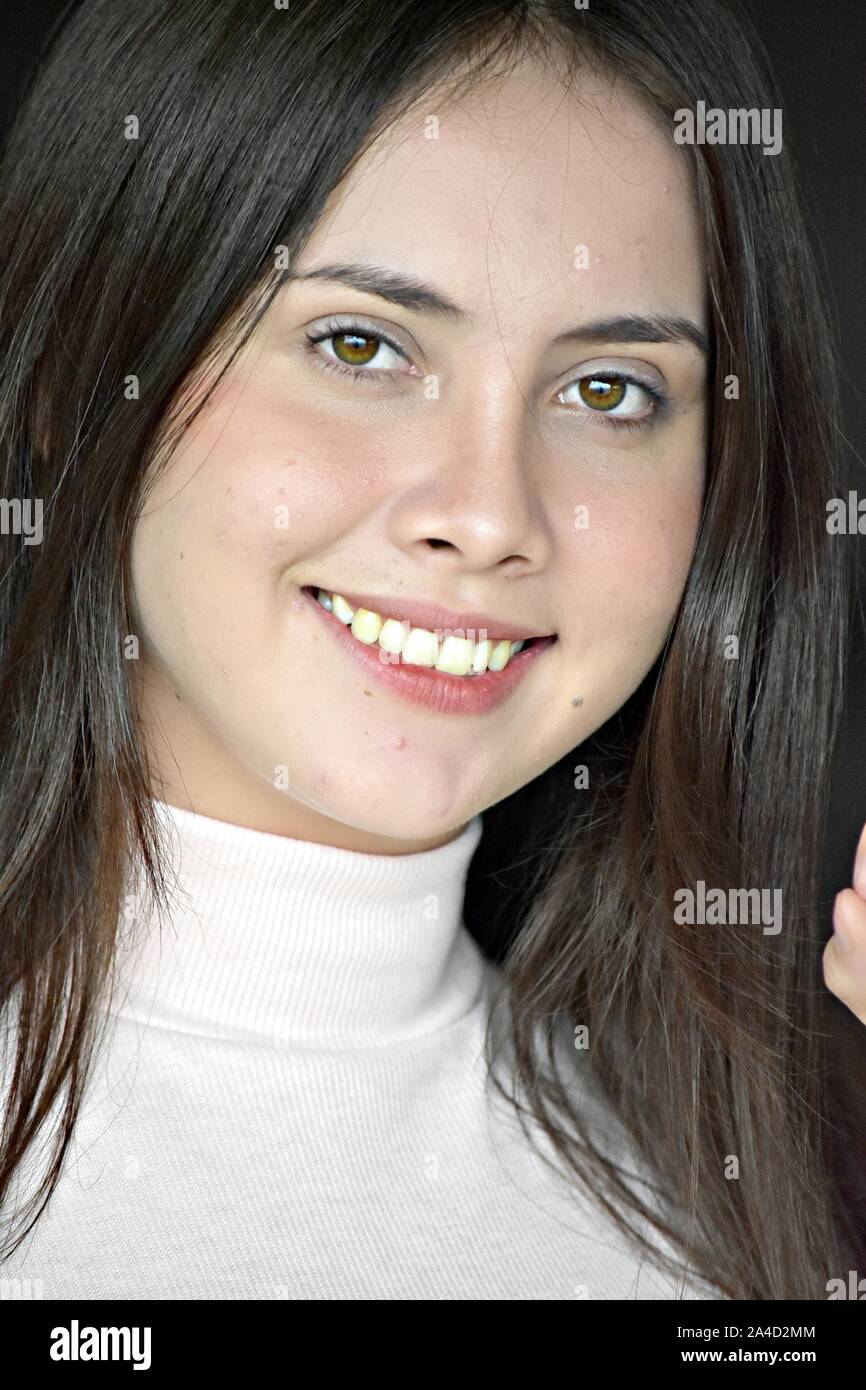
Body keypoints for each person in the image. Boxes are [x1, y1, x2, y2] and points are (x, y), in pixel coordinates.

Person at [0, 0, 855, 1300]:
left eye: (608, 387)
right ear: (78, 373)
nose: (487, 514)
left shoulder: (751, 1206)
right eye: (360, 345)